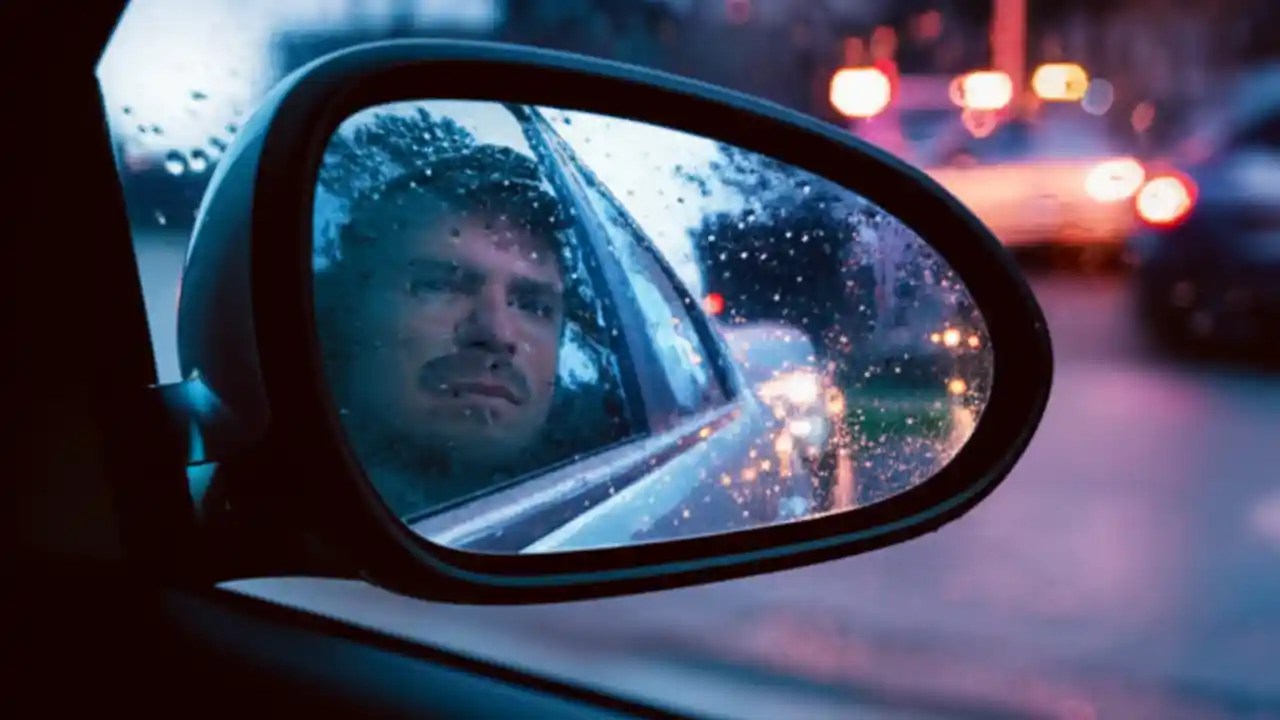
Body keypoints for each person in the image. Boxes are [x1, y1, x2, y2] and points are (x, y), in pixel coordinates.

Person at [314, 145, 578, 517]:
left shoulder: (586, 451)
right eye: (438, 285)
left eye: (534, 306)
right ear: (347, 310)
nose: (496, 332)